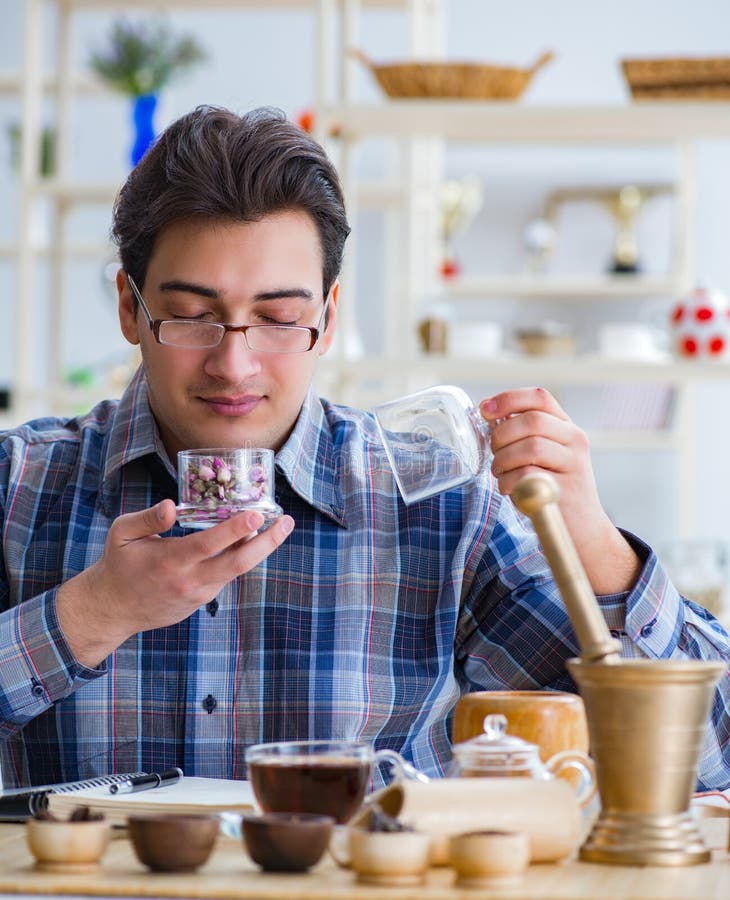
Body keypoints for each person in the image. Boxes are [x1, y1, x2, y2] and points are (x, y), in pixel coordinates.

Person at [1, 105, 728, 791]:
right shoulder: (22, 484)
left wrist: (599, 549)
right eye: (192, 316)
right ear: (131, 307)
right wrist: (93, 612)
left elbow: (705, 763)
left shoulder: (438, 501)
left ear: (329, 315)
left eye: (280, 319)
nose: (235, 364)